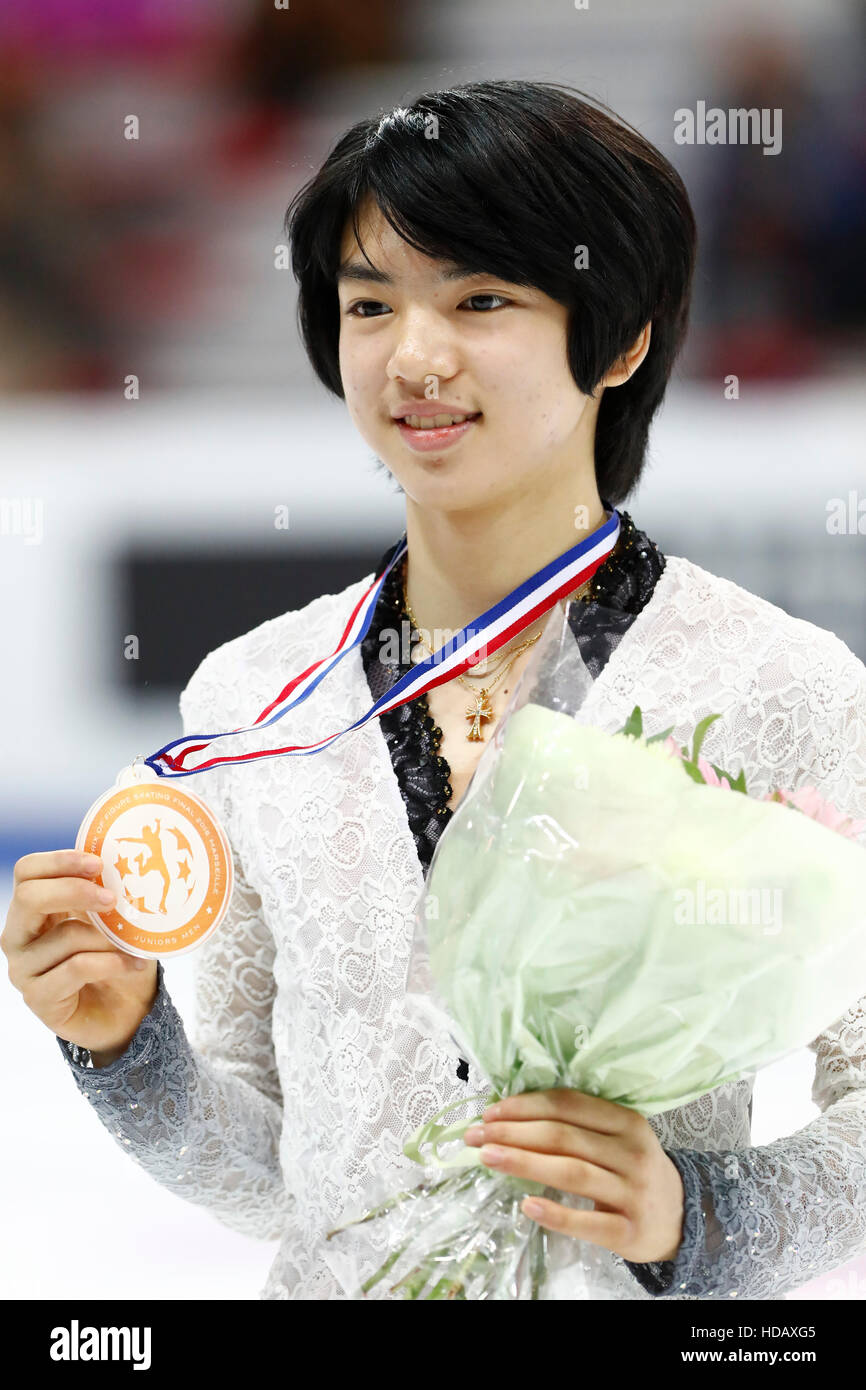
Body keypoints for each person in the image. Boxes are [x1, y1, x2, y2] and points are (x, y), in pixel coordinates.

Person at [4, 79, 866, 1301]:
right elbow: (283, 1176)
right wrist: (122, 1046)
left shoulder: (778, 684)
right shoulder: (257, 693)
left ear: (618, 338)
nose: (413, 356)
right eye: (369, 303)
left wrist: (694, 1214)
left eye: (480, 299)